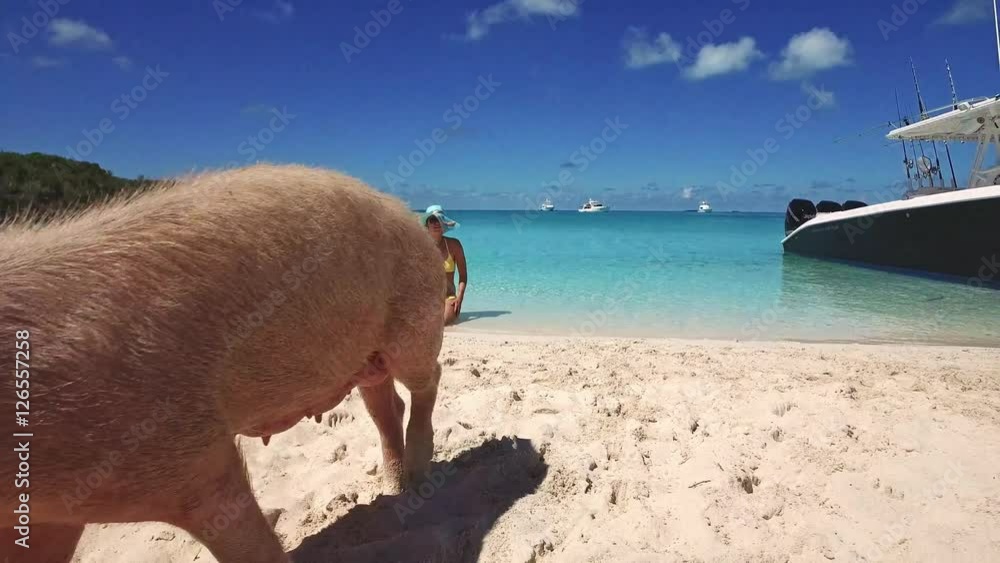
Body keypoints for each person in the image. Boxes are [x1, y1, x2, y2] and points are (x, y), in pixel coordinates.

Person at [421, 205, 467, 325]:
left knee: (444, 322)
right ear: (427, 225)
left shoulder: (454, 245)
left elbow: (463, 276)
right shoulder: (421, 248)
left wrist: (460, 299)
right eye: (433, 220)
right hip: (426, 299)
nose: (436, 223)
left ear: (443, 223)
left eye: (439, 219)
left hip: (448, 298)